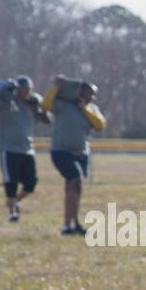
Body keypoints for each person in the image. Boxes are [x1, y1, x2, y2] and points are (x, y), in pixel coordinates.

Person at [40, 76, 105, 235]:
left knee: (74, 186)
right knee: (75, 179)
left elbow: (100, 125)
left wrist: (84, 109)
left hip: (81, 153)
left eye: (94, 95)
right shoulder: (64, 105)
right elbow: (46, 104)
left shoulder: (92, 110)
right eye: (89, 93)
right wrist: (57, 88)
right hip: (61, 151)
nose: (92, 97)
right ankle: (68, 224)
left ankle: (71, 224)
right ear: (81, 92)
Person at [0, 76, 51, 222]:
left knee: (30, 183)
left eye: (28, 90)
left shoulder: (32, 105)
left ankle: (15, 201)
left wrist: (41, 109)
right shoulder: (7, 102)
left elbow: (48, 120)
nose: (26, 92)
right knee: (11, 183)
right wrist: (5, 85)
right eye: (23, 89)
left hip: (27, 149)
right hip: (9, 148)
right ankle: (13, 212)